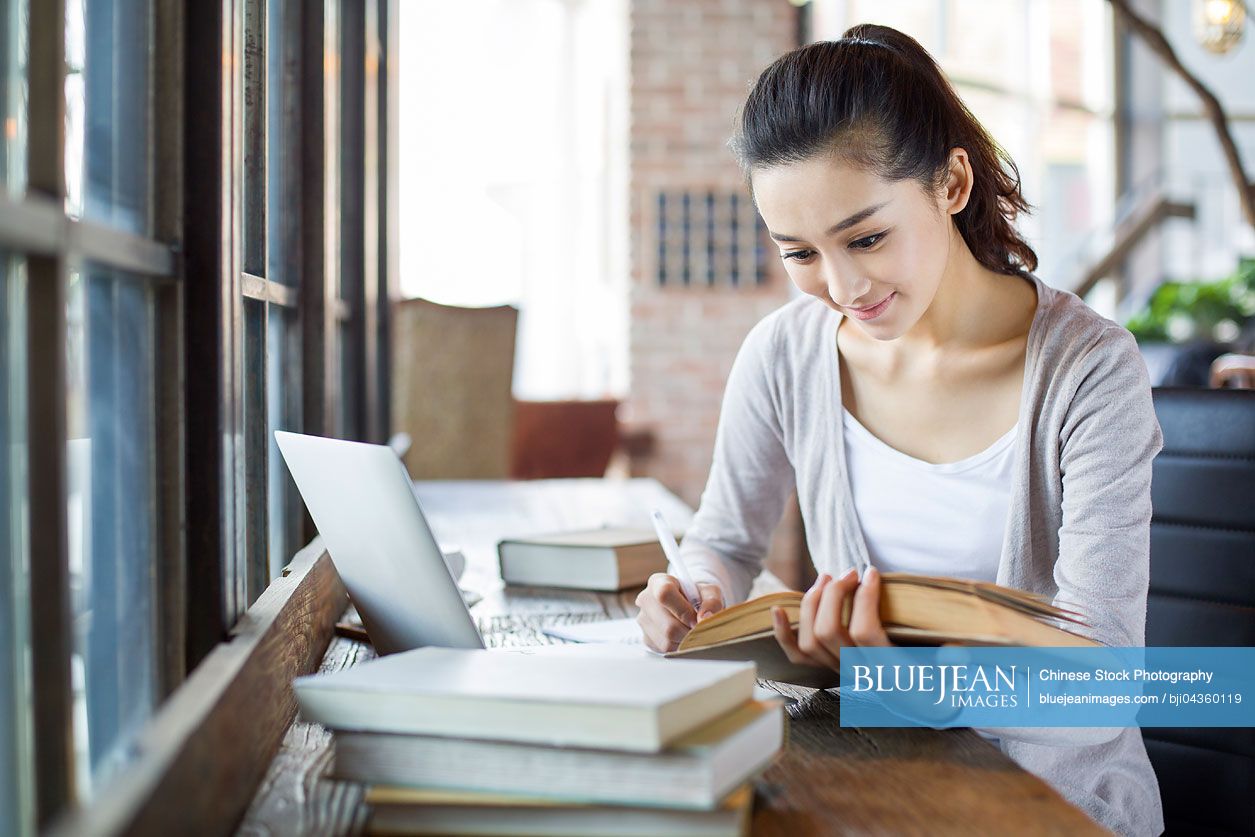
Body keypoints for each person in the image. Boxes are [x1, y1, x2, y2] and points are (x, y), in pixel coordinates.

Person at [633, 24, 1164, 837]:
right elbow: (726, 541)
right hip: (876, 790)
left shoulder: (1090, 371)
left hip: (1059, 808)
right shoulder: (783, 354)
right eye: (800, 253)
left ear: (950, 182)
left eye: (867, 237)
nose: (843, 285)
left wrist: (895, 680)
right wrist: (698, 593)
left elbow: (1101, 687)